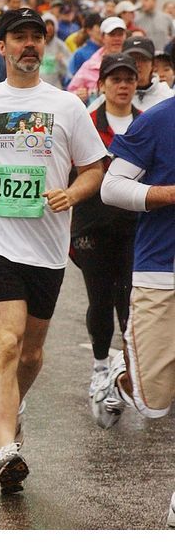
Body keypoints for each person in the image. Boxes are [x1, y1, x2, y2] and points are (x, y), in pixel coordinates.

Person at [0, 8, 107, 494]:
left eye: (37, 37)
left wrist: (73, 194)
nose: (29, 45)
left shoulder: (67, 106)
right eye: (19, 38)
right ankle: (5, 448)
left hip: (48, 248)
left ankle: (14, 406)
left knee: (32, 354)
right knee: (7, 341)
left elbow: (95, 167)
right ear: (2, 47)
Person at [94, 62, 175, 525]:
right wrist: (166, 195)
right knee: (154, 402)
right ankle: (122, 379)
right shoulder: (159, 120)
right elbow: (111, 186)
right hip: (160, 273)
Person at [68, 53, 140, 393]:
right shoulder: (87, 122)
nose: (123, 85)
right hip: (92, 227)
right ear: (102, 85)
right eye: (115, 80)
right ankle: (99, 366)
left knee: (128, 301)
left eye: (129, 79)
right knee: (100, 300)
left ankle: (127, 369)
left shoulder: (146, 122)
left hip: (135, 229)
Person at [68, 16, 127, 102]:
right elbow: (70, 93)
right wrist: (78, 95)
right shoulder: (89, 66)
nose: (117, 39)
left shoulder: (135, 62)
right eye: (112, 35)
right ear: (102, 37)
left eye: (120, 34)